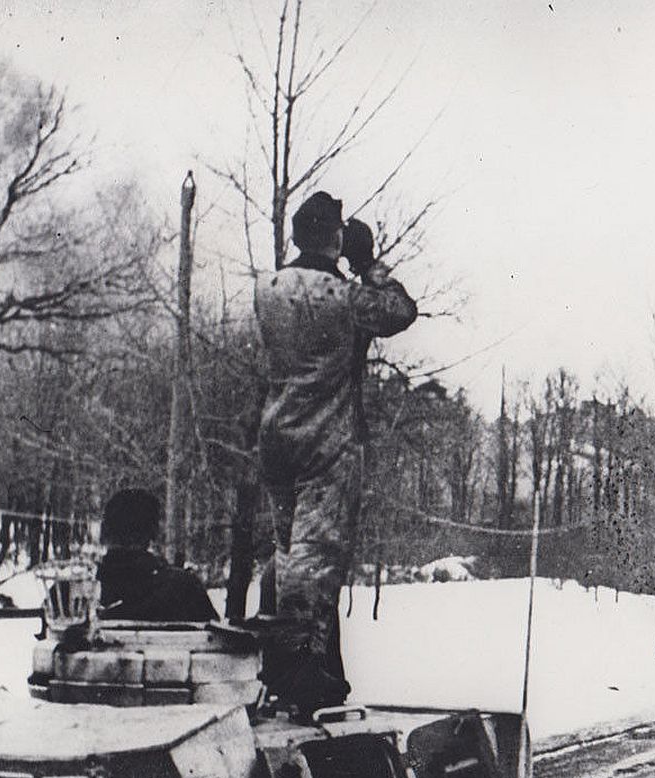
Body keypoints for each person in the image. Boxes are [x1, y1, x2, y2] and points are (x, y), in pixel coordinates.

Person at [255, 191, 418, 715]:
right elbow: (400, 310)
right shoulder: (345, 297)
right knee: (315, 557)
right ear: (335, 238)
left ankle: (283, 663)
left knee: (284, 551)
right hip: (327, 439)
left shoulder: (268, 289)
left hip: (276, 434)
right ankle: (302, 668)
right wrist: (367, 262)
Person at [95, 488, 217, 623]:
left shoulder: (92, 595)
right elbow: (219, 636)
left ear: (106, 531)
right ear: (153, 532)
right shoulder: (184, 588)